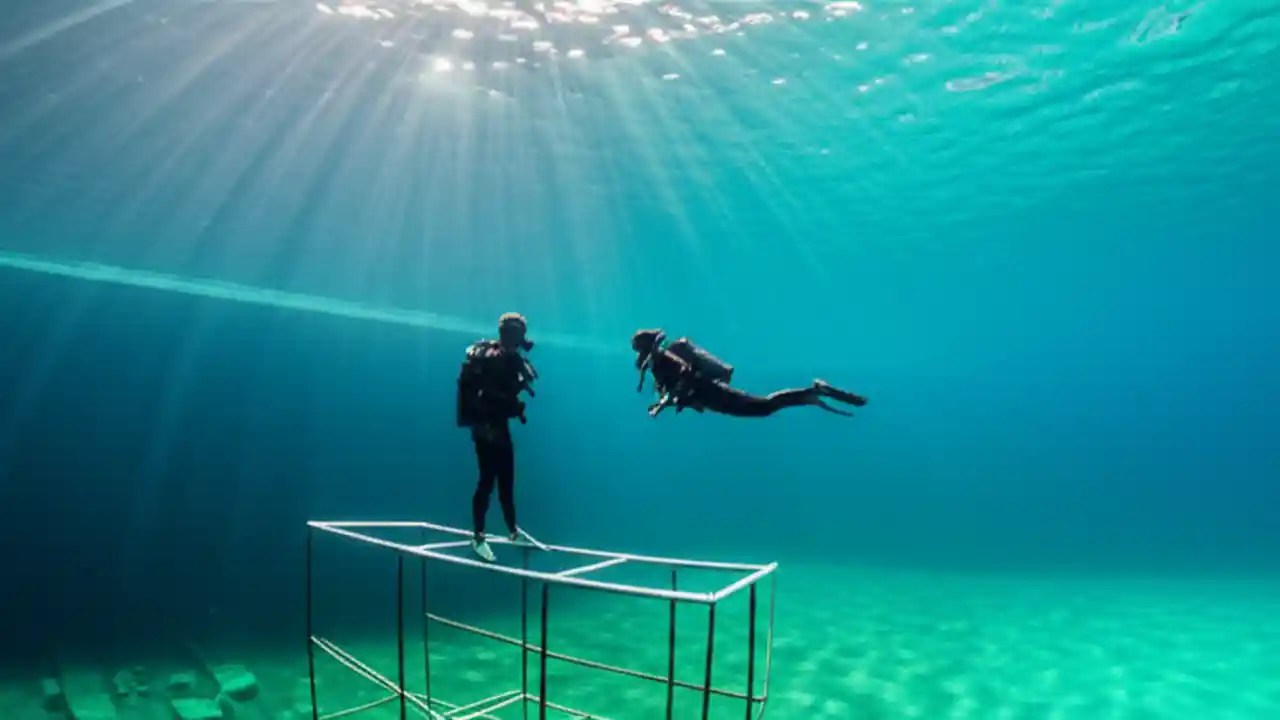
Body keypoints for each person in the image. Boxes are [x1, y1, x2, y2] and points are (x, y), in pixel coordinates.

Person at [632, 328, 868, 418]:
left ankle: (813, 391)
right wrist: (663, 403)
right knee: (764, 408)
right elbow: (678, 388)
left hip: (717, 394)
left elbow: (684, 376)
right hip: (714, 399)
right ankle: (809, 395)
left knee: (764, 406)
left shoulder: (664, 360)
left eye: (640, 353)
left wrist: (663, 404)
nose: (639, 359)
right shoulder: (658, 366)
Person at [456, 313, 538, 562]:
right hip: (485, 429)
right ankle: (478, 537)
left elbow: (509, 393)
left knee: (506, 482)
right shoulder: (490, 359)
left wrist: (514, 406)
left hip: (498, 427)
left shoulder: (509, 358)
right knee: (487, 482)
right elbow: (489, 396)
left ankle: (512, 531)